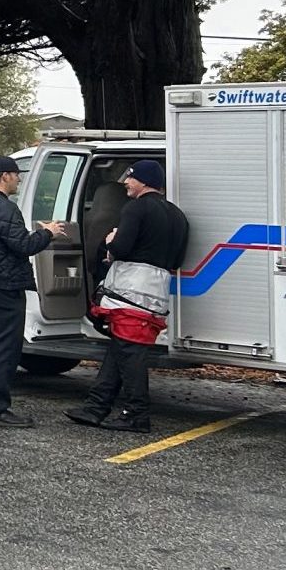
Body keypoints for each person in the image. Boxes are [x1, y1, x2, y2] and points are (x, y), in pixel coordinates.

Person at [70, 159, 189, 432]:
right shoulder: (177, 214)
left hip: (130, 293)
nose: (125, 182)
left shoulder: (135, 208)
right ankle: (95, 407)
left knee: (131, 357)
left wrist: (110, 241)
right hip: (155, 293)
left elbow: (121, 249)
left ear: (144, 181)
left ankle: (136, 415)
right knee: (120, 349)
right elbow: (178, 258)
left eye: (130, 177)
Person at [0, 155, 73, 428]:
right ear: (5, 176)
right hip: (6, 285)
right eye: (16, 174)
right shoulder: (5, 209)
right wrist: (48, 233)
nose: (19, 179)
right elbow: (23, 246)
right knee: (7, 347)